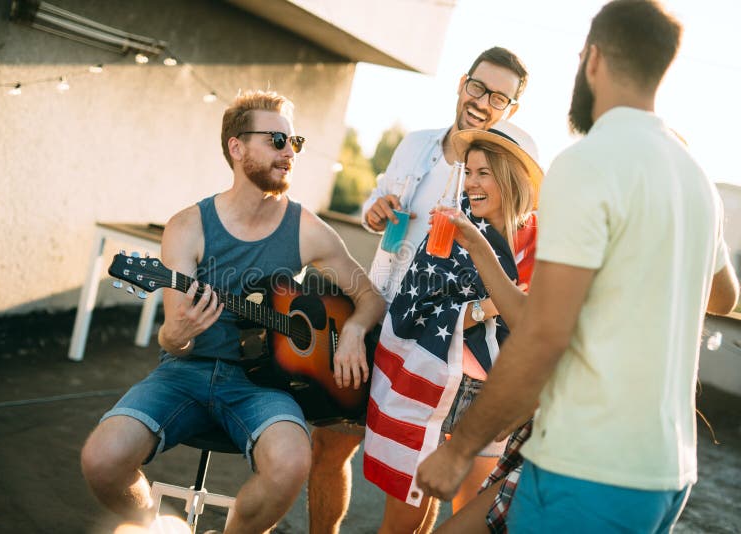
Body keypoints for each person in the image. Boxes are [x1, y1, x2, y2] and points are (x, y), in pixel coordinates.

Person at [416, 1, 740, 532]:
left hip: (587, 466)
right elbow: (723, 297)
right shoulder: (695, 174)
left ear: (591, 60)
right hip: (666, 472)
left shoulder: (589, 162)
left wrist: (459, 452)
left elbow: (543, 335)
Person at [80, 90, 385, 533]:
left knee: (291, 464)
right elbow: (172, 341)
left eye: (294, 142)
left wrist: (355, 330)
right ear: (237, 147)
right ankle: (155, 524)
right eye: (276, 141)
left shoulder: (305, 228)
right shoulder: (188, 225)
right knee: (101, 459)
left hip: (265, 384)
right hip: (184, 372)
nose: (289, 152)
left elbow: (370, 297)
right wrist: (176, 332)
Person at [309, 46, 531, 534]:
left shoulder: (500, 172)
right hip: (375, 309)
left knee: (415, 472)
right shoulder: (414, 144)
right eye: (478, 86)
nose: (483, 101)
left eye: (499, 97)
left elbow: (512, 262)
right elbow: (380, 198)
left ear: (510, 110)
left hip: (435, 343)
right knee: (329, 444)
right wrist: (375, 208)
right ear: (461, 83)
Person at [363, 125, 543, 534]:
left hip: (492, 395)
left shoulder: (538, 240)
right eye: (471, 172)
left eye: (485, 173)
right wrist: (487, 307)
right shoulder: (452, 224)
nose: (473, 183)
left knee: (469, 520)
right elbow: (416, 306)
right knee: (403, 522)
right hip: (433, 380)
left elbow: (540, 327)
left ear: (511, 177)